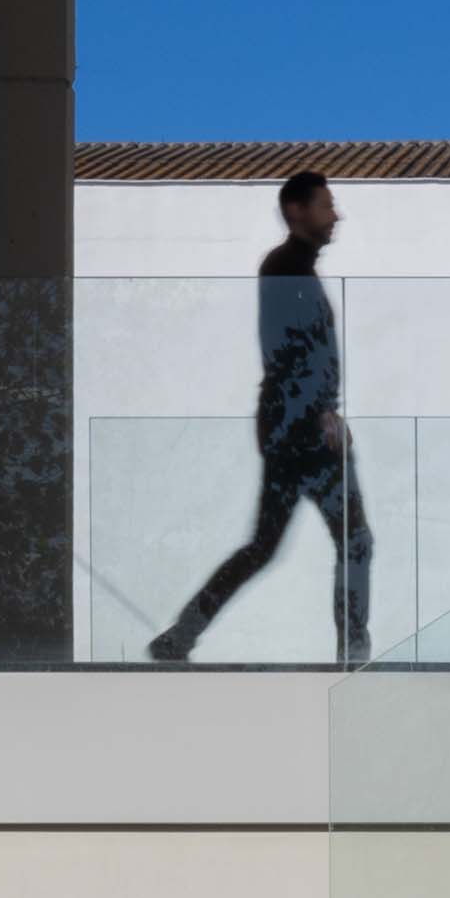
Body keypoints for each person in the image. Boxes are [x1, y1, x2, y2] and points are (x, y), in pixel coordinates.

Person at [150, 167, 373, 665]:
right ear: (296, 211)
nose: (335, 214)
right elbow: (288, 353)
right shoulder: (285, 270)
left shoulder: (291, 268)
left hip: (292, 428)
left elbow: (294, 355)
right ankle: (353, 654)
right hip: (303, 433)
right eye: (325, 204)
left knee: (266, 547)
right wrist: (321, 414)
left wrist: (320, 412)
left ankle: (179, 638)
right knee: (353, 541)